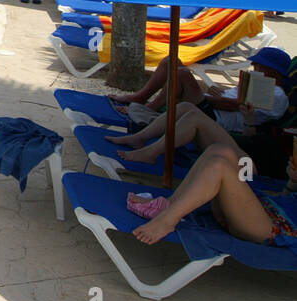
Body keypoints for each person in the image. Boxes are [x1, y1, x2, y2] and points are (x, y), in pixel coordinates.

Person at [106, 48, 292, 161]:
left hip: (216, 118)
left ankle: (149, 109)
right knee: (171, 61)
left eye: (260, 67)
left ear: (274, 73)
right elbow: (232, 100)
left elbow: (235, 107)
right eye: (256, 66)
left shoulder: (277, 95)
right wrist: (214, 93)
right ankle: (140, 100)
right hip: (212, 106)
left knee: (183, 75)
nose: (255, 69)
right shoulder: (256, 83)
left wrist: (203, 96)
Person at [126, 142, 297, 251]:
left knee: (219, 166)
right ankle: (170, 205)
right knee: (220, 149)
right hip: (266, 208)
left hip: (273, 229)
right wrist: (293, 181)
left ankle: (166, 221)